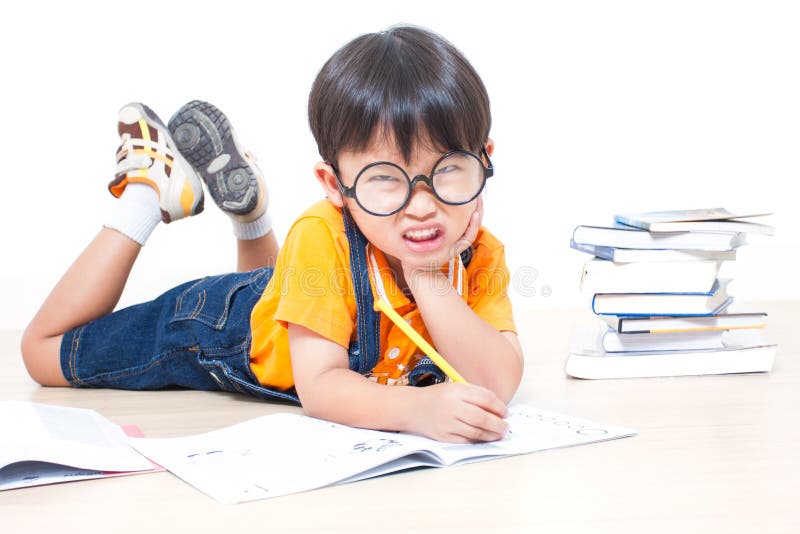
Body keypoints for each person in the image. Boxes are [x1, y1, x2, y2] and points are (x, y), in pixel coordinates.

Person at [20, 25, 524, 444]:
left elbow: (498, 382)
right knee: (42, 353)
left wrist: (428, 276)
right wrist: (417, 410)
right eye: (386, 178)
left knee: (279, 286)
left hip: (290, 297)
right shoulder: (319, 233)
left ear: (484, 160)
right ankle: (149, 192)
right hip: (222, 329)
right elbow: (321, 387)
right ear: (335, 185)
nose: (422, 205)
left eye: (448, 169)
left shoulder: (479, 251)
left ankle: (251, 219)